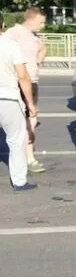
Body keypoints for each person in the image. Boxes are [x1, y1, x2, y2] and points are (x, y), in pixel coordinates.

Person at [3, 7, 48, 174]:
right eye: (41, 22)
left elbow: (43, 48)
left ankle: (29, 157)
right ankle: (24, 158)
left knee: (31, 120)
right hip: (17, 83)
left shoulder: (34, 36)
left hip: (33, 82)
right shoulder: (13, 33)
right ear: (30, 20)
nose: (43, 26)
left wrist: (37, 61)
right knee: (20, 121)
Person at [0, 35, 38, 191]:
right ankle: (19, 182)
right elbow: (23, 77)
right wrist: (30, 103)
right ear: (1, 24)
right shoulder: (10, 45)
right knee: (16, 140)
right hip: (8, 98)